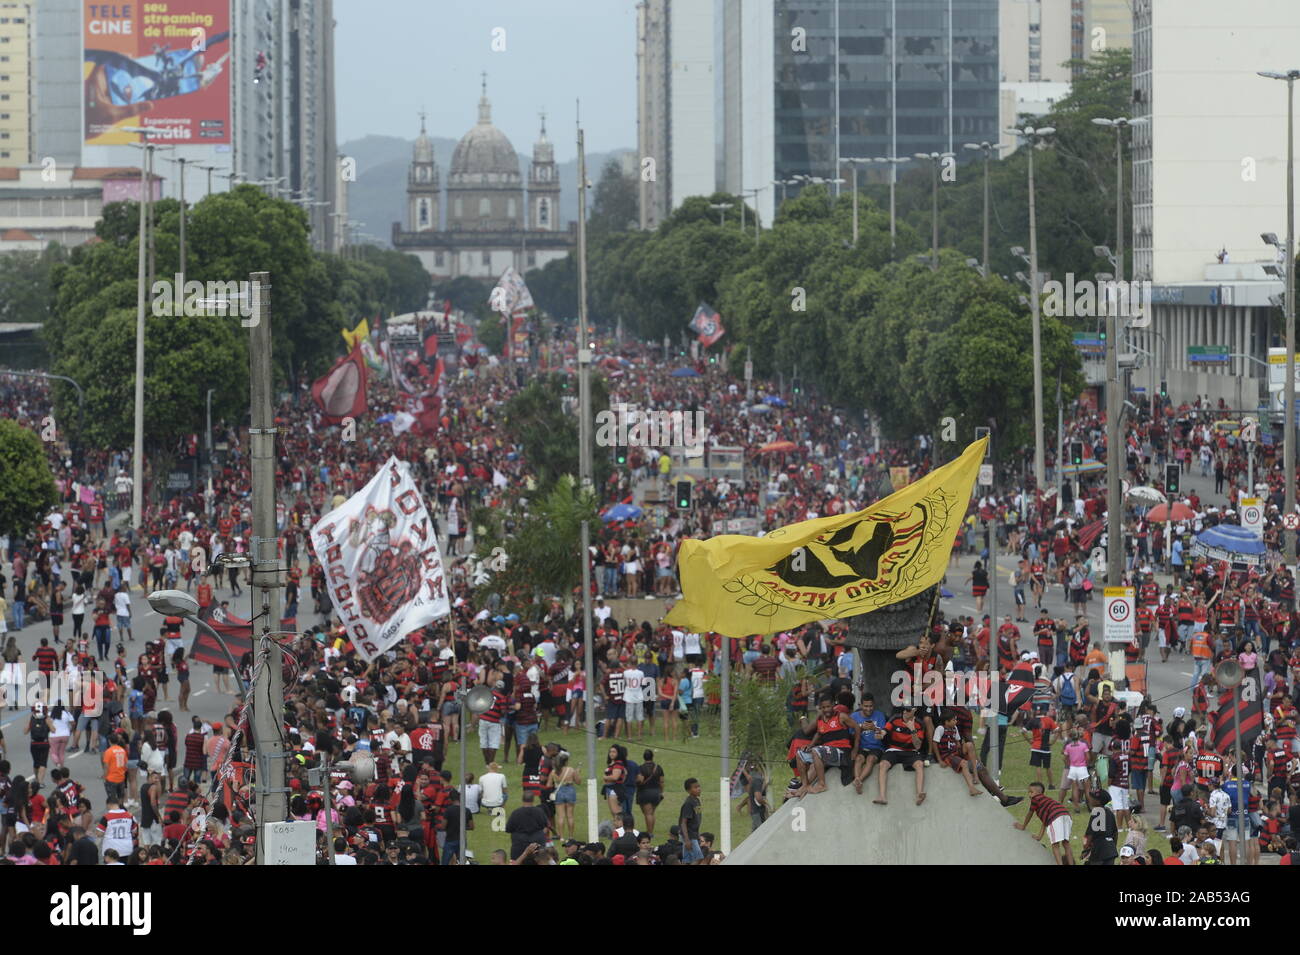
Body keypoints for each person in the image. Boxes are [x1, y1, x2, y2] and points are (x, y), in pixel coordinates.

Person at [875, 704, 926, 807]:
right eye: (904, 709)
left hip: (911, 751)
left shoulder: (919, 723)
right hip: (894, 749)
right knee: (883, 765)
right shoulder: (895, 718)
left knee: (919, 764)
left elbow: (918, 746)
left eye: (908, 710)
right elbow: (885, 731)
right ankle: (882, 796)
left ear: (914, 710)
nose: (905, 712)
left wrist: (912, 730)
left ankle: (919, 794)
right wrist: (880, 734)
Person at [1016, 781, 1074, 865]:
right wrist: (1039, 836)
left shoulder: (1035, 799)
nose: (1029, 794)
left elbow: (1030, 813)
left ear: (1039, 793)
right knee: (1066, 843)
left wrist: (1023, 826)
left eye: (1031, 792)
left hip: (1056, 817)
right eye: (1029, 792)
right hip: (1066, 815)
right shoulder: (1046, 801)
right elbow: (1045, 821)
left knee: (1055, 845)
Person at [504, 790, 549, 861]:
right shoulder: (539, 812)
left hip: (519, 846)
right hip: (537, 845)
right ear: (533, 799)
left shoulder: (516, 813)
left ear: (522, 799)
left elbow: (508, 829)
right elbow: (547, 826)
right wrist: (541, 835)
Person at [1084, 789, 1119, 866]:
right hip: (1110, 849)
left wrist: (1085, 848)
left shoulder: (1096, 812)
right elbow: (1115, 833)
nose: (1090, 799)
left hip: (1098, 850)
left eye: (1092, 798)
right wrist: (1112, 846)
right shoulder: (1110, 813)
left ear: (1098, 801)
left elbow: (1090, 833)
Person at [678, 777, 703, 863]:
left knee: (688, 859)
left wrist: (698, 834)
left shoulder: (697, 800)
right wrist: (687, 840)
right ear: (688, 791)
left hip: (694, 834)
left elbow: (697, 819)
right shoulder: (688, 803)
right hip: (689, 835)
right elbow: (683, 823)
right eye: (695, 787)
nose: (699, 789)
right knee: (699, 857)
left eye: (699, 786)